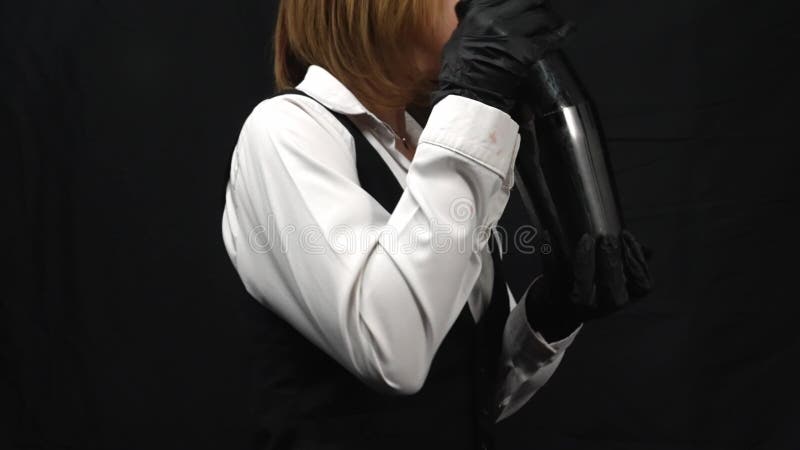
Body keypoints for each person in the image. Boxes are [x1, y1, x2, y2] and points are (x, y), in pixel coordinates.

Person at [221, 0, 650, 448]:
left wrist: (549, 315)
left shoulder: (427, 149)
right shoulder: (286, 130)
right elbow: (393, 356)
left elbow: (467, 391)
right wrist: (475, 99)